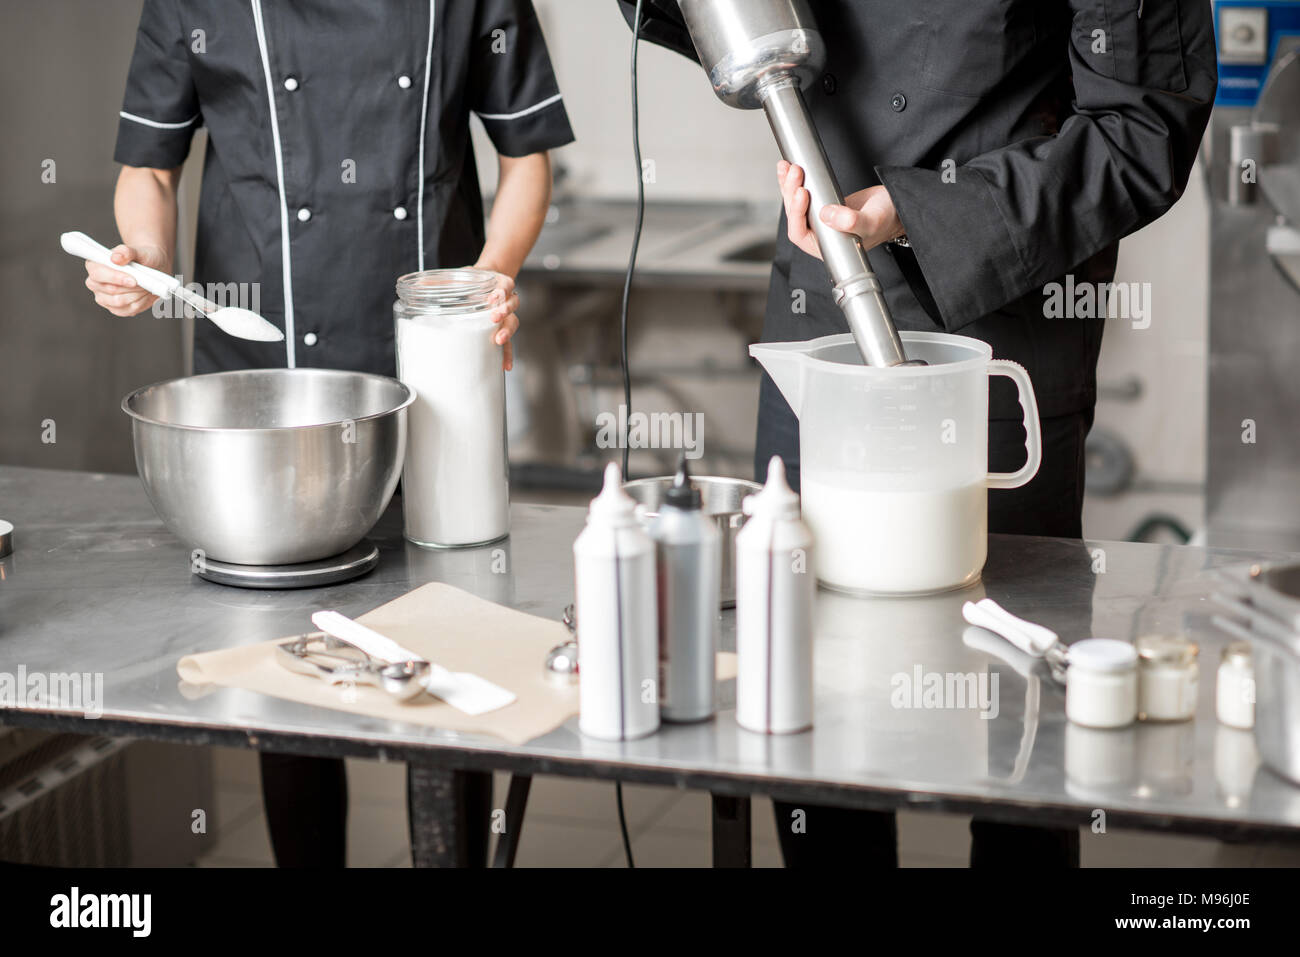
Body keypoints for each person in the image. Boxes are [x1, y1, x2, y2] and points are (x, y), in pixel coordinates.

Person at [620, 1, 1216, 866]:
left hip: (995, 322)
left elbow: (1143, 130)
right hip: (820, 308)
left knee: (1017, 725)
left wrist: (913, 209)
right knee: (811, 715)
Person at [86, 0, 574, 867]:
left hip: (433, 363)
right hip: (265, 388)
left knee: (450, 635)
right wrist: (143, 257)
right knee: (290, 673)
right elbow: (150, 169)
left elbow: (525, 158)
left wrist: (486, 282)